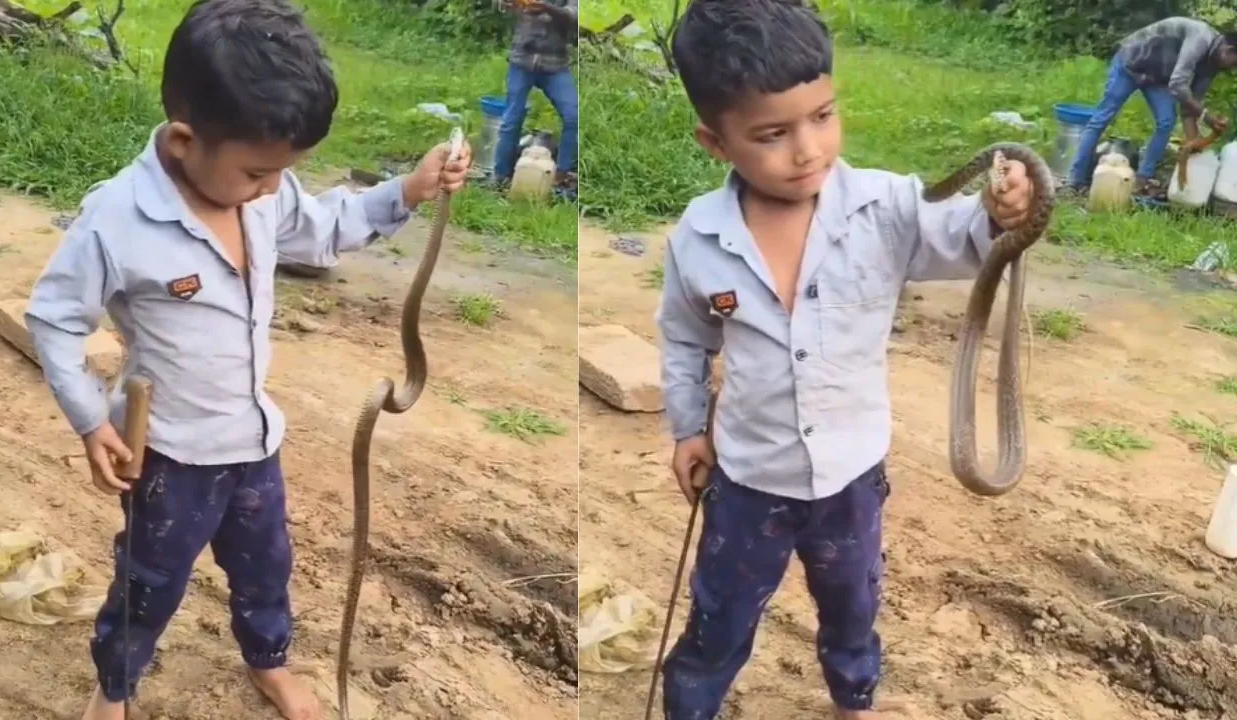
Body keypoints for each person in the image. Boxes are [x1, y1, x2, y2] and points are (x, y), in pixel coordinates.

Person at [23, 1, 471, 719]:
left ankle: (271, 661)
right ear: (183, 140)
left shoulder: (265, 193)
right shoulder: (117, 220)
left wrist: (407, 192)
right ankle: (113, 690)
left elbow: (325, 227)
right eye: (259, 172)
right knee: (149, 580)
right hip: (168, 455)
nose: (272, 189)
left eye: (284, 171)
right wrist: (87, 420)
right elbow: (51, 319)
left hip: (253, 443)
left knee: (267, 567)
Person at [654, 1, 1035, 718]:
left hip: (850, 481)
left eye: (822, 116)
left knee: (853, 609)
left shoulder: (887, 208)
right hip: (748, 480)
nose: (807, 150)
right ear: (716, 141)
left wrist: (1001, 211)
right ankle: (690, 705)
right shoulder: (698, 239)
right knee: (719, 617)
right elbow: (684, 338)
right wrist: (686, 428)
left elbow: (966, 238)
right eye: (772, 134)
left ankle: (853, 700)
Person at [1068, 16, 1237, 194]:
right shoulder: (1200, 38)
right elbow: (1178, 85)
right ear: (1229, 50)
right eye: (1235, 63)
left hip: (1157, 79)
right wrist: (1207, 116)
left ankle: (1143, 178)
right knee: (1102, 118)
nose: (1233, 68)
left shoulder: (1213, 65)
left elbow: (1190, 106)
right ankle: (1076, 179)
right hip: (1131, 64)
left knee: (1166, 122)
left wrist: (1194, 144)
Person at [492, 0, 578, 193]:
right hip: (521, 60)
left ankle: (561, 175)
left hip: (555, 64)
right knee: (511, 119)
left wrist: (547, 7)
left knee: (574, 116)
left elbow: (574, 15)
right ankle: (500, 177)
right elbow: (501, 5)